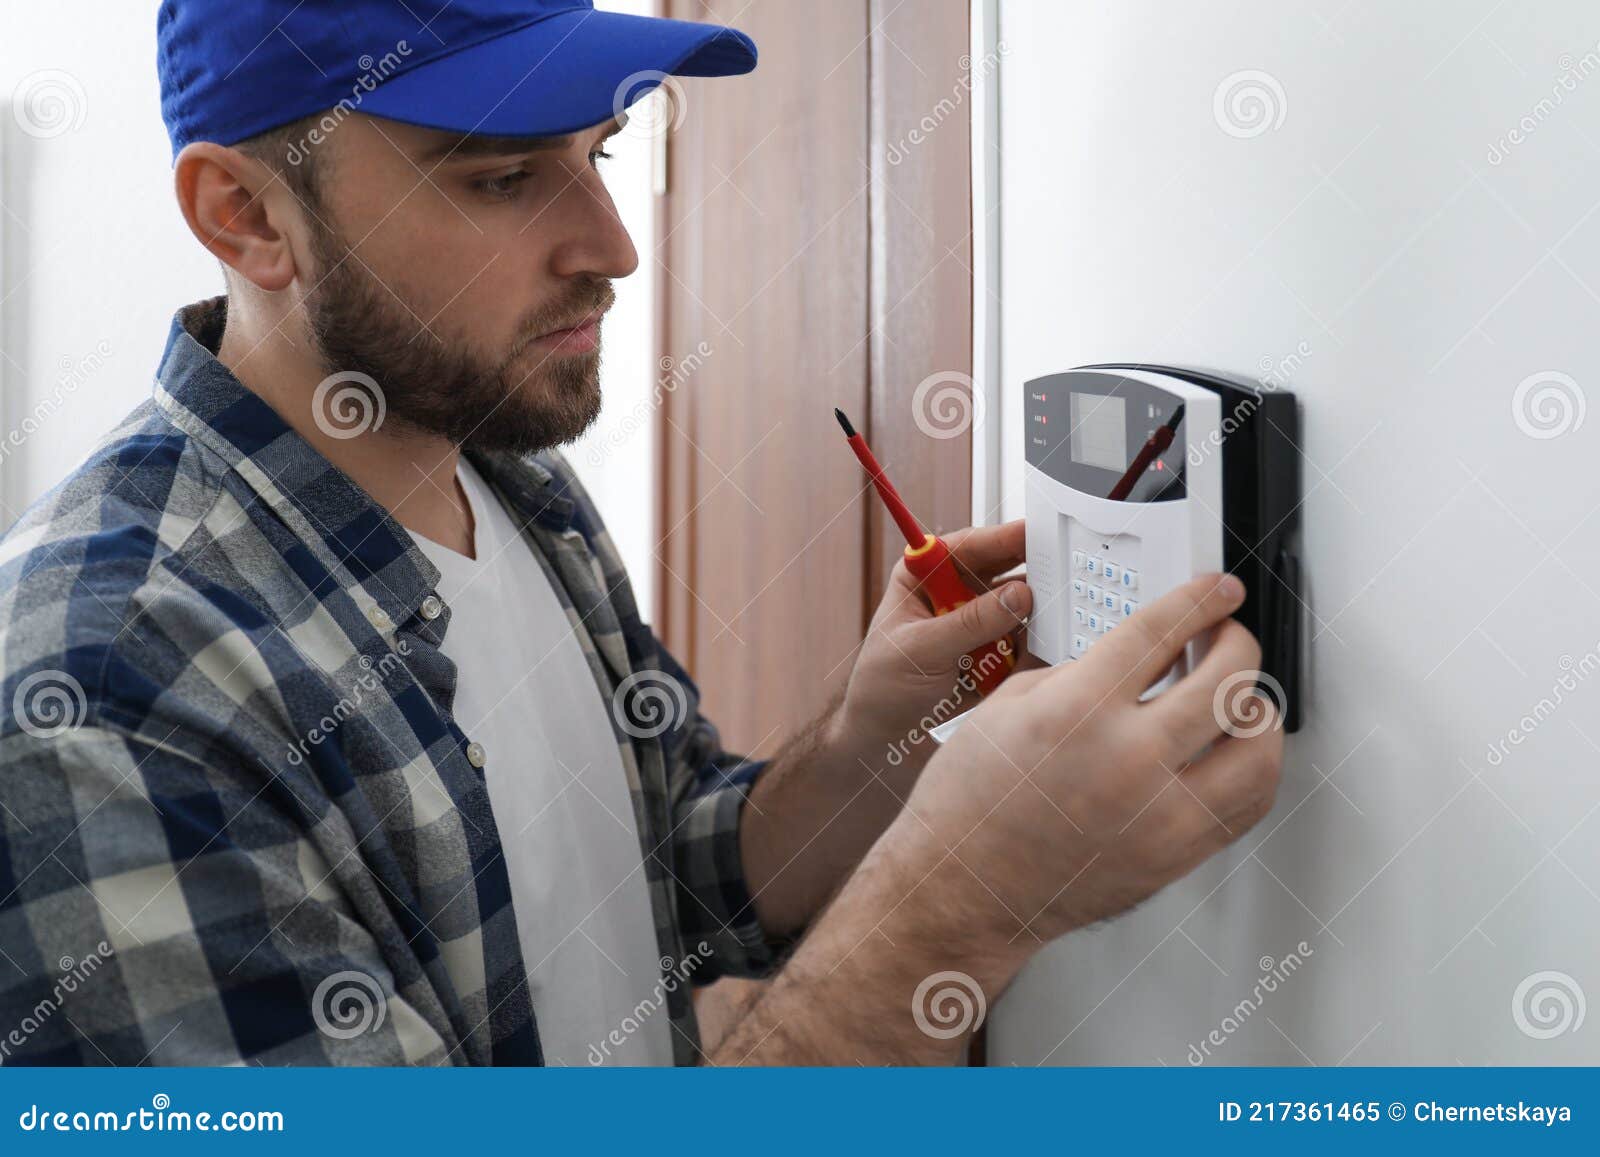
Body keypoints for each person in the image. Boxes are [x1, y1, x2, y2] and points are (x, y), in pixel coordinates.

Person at [0, 0, 1282, 1065]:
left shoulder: (506, 467)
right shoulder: (108, 684)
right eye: (502, 178)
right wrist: (962, 904)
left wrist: (865, 744)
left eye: (598, 157)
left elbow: (669, 882)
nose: (611, 248)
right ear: (248, 216)